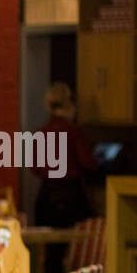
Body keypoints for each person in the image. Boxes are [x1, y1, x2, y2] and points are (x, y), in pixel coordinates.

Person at [31, 82, 96, 229]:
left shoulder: (40, 132)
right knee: (76, 245)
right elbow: (88, 163)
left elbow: (34, 168)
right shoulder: (73, 131)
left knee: (48, 247)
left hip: (46, 195)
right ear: (71, 104)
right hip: (71, 196)